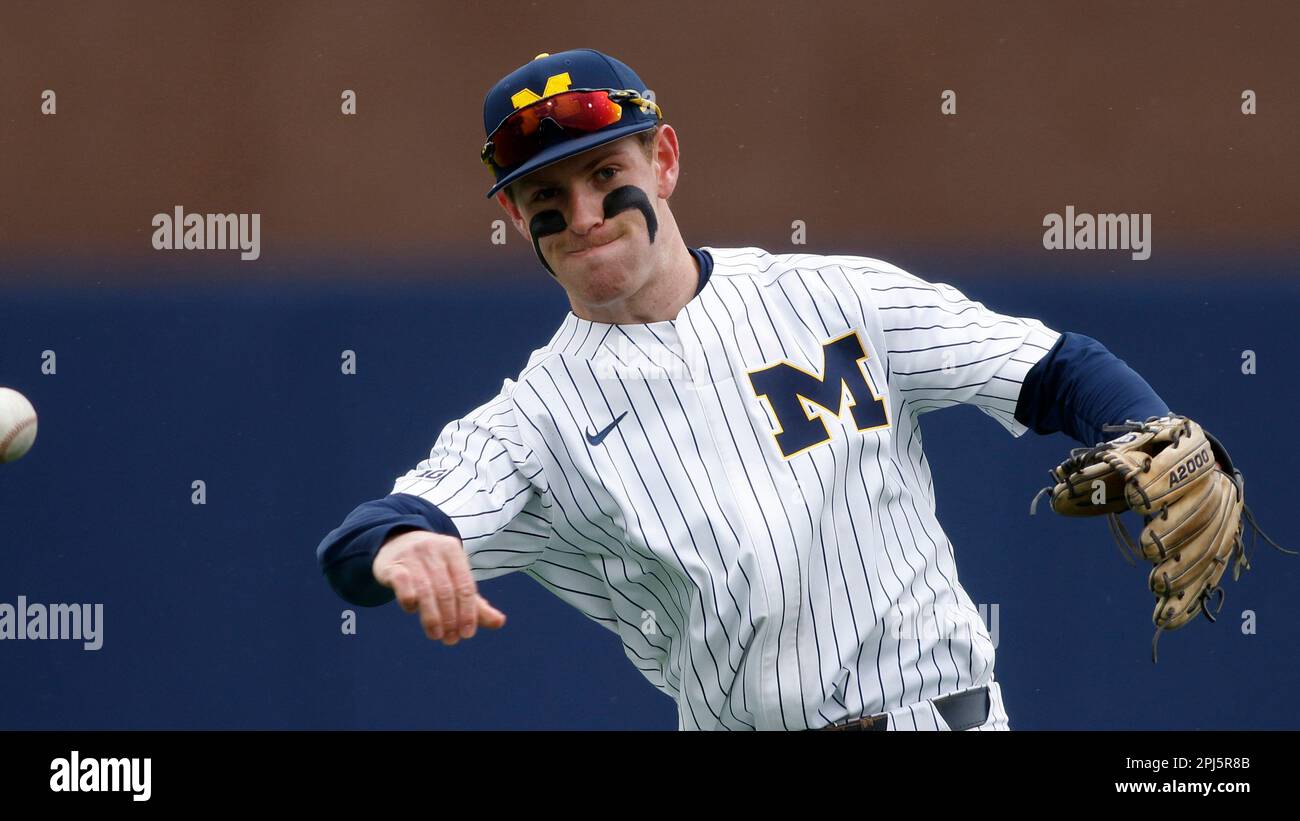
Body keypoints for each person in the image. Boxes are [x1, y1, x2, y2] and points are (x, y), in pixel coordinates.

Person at [316, 48, 1172, 730]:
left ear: (665, 161)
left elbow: (1055, 367)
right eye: (545, 193)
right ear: (514, 217)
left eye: (604, 171)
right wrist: (397, 549)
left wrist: (1160, 429)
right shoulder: (533, 423)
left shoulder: (836, 297)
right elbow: (370, 538)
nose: (581, 212)